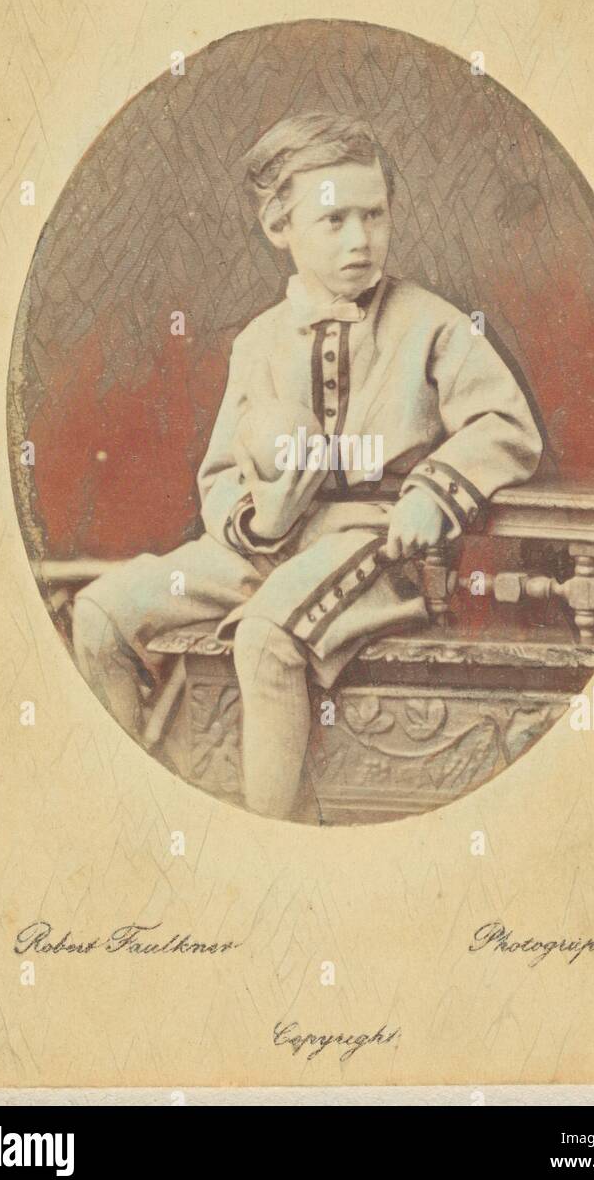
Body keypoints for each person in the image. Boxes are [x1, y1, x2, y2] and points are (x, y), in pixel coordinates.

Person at [73, 111, 543, 822]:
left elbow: (505, 424)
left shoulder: (431, 323)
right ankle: (141, 808)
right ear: (278, 227)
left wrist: (433, 495)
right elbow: (222, 475)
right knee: (99, 613)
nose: (362, 238)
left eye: (375, 215)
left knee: (266, 639)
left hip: (375, 544)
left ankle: (268, 841)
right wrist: (257, 521)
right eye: (336, 220)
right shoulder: (259, 342)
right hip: (268, 549)